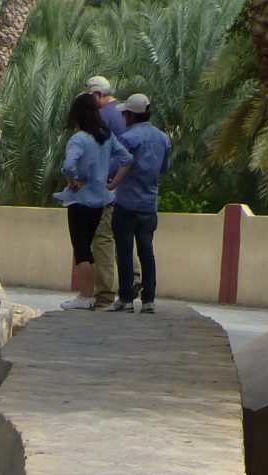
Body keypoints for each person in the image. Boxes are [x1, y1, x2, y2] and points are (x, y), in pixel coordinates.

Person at [60, 93, 132, 310]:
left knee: (81, 248)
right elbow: (127, 159)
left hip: (80, 200)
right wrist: (112, 183)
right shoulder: (107, 137)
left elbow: (68, 164)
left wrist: (72, 180)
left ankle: (85, 296)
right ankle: (89, 295)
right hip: (100, 200)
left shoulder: (79, 139)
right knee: (89, 247)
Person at [110, 93, 172, 312]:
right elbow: (164, 168)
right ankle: (149, 300)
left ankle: (126, 298)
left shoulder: (126, 139)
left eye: (126, 113)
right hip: (148, 205)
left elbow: (114, 168)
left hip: (126, 203)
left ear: (131, 116)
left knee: (125, 251)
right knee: (147, 251)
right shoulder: (163, 138)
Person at [81, 75, 126, 307]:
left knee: (102, 239)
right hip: (129, 190)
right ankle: (134, 282)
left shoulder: (103, 117)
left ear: (99, 95)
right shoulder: (127, 112)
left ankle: (105, 294)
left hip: (106, 188)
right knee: (126, 237)